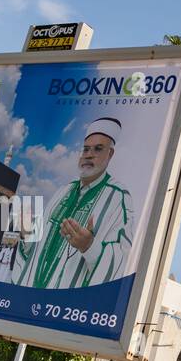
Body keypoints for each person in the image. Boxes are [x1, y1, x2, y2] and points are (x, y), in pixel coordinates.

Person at [13, 117, 133, 289]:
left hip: (67, 306)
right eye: (85, 149)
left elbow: (123, 262)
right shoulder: (62, 191)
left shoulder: (118, 197)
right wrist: (27, 234)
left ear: (110, 154)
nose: (89, 155)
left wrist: (89, 246)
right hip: (29, 295)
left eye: (98, 149)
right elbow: (35, 250)